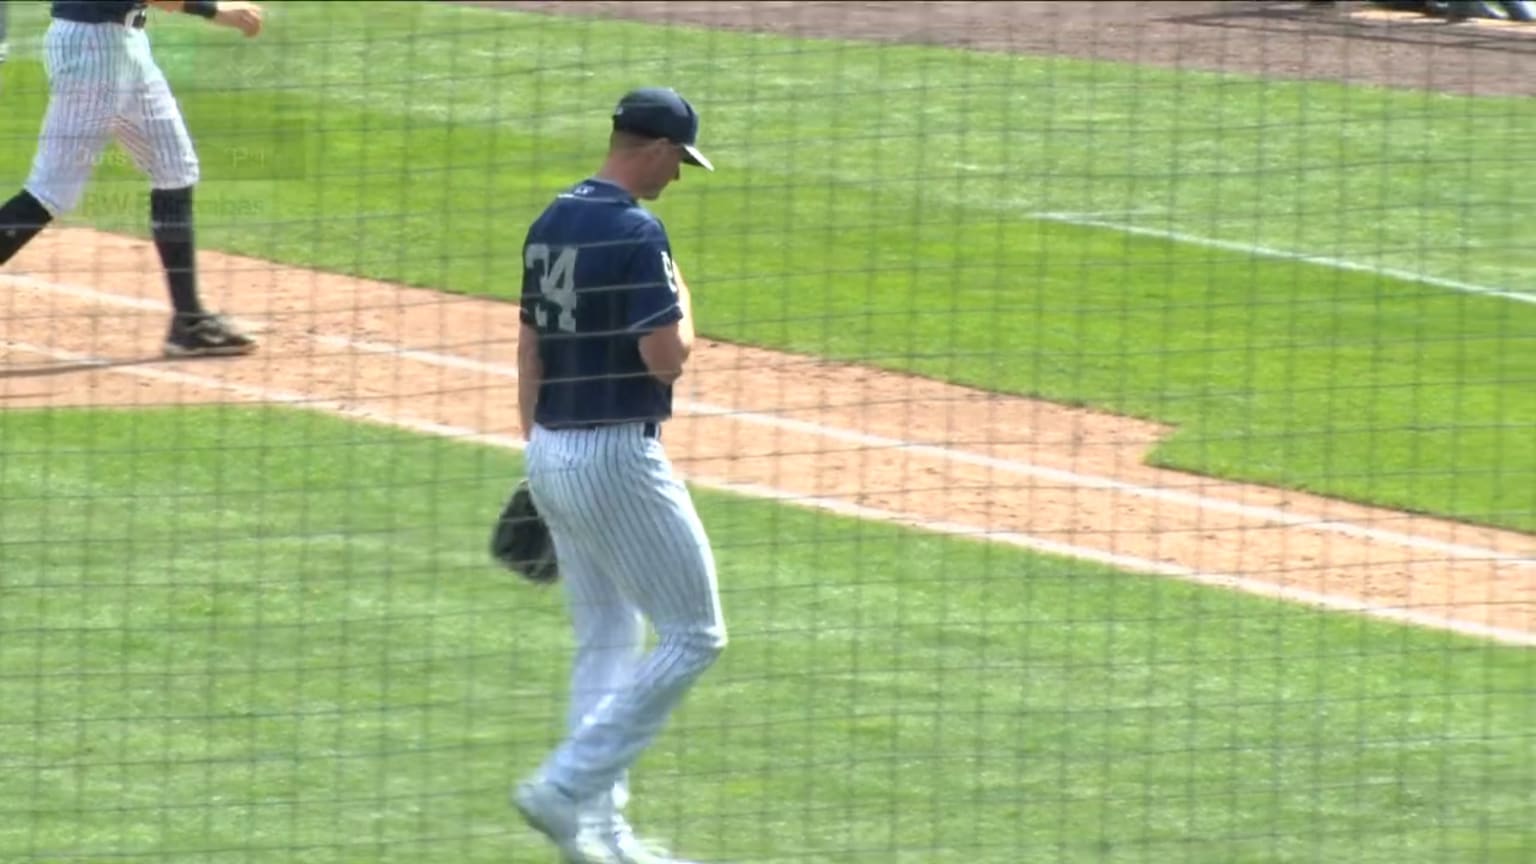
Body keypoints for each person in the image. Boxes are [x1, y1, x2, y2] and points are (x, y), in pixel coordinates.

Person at [512, 87, 726, 864]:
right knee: (695, 635)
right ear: (661, 148)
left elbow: (530, 349)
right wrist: (689, 305)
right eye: (681, 163)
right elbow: (665, 358)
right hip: (615, 456)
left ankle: (599, 837)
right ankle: (566, 786)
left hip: (550, 446)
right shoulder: (638, 230)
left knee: (607, 633)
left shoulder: (550, 220)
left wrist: (534, 460)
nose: (678, 178)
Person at [0, 0, 264, 357]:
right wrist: (216, 11)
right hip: (94, 49)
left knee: (175, 168)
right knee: (52, 189)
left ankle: (189, 322)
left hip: (126, 44)